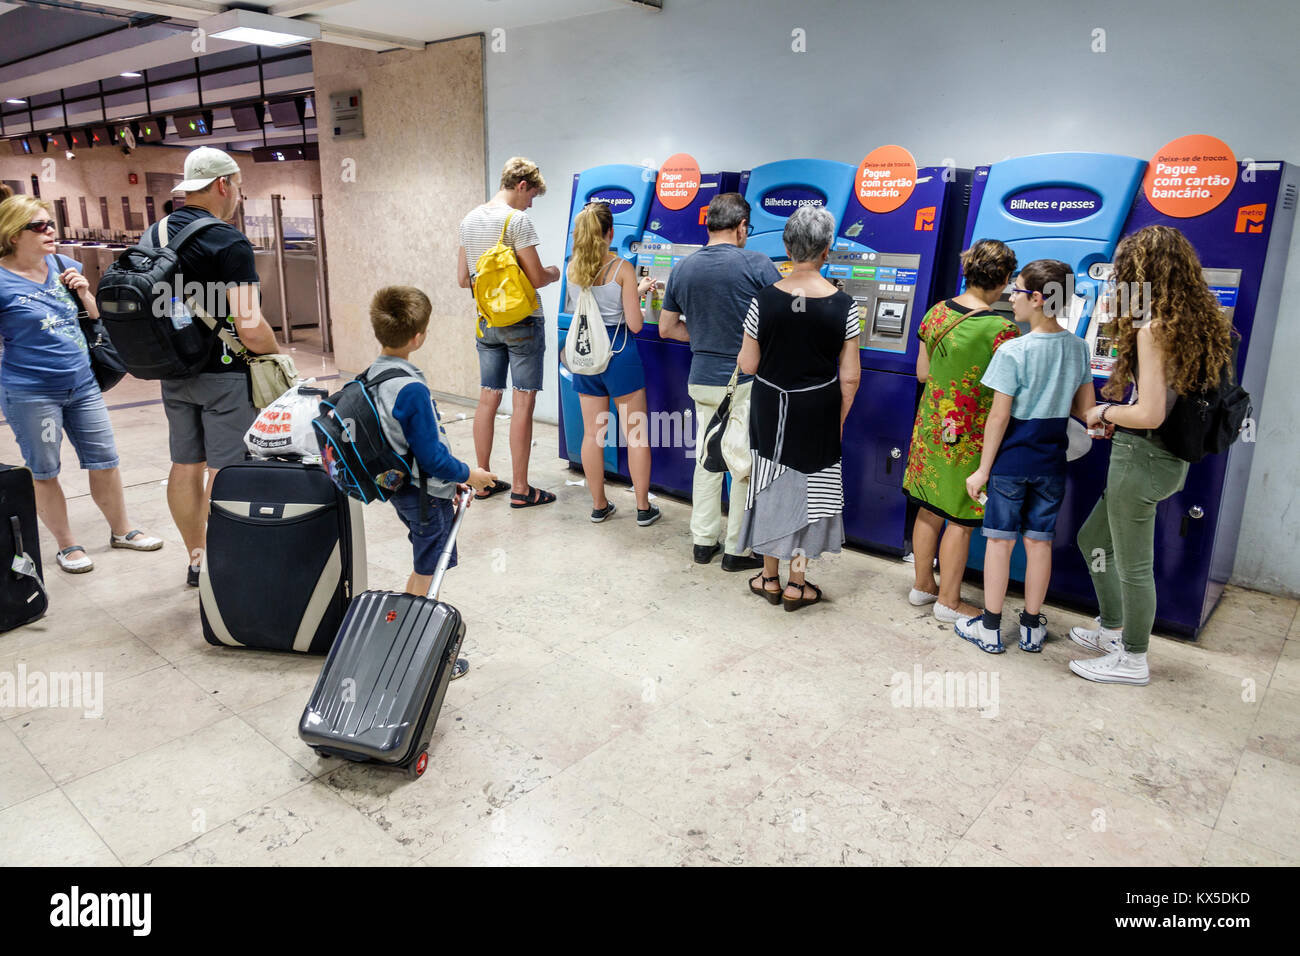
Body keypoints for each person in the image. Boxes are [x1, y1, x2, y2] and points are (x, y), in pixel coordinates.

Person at [1070, 226, 1229, 685]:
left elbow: (1152, 412)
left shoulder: (1153, 327)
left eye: (1123, 267)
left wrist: (1104, 411)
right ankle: (1112, 628)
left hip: (1143, 460)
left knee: (1135, 566)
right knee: (1094, 541)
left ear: (1143, 271)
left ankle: (1133, 658)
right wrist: (1120, 418)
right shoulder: (1189, 320)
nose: (1117, 276)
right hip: (1155, 459)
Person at [0, 195, 163, 573]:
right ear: (12, 235)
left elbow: (95, 320)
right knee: (44, 470)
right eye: (38, 227)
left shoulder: (63, 264)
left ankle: (122, 530)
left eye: (51, 224)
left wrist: (86, 293)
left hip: (82, 383)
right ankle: (67, 544)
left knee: (105, 460)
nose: (50, 232)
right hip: (31, 391)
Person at [154, 147, 281, 587]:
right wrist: (278, 357)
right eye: (239, 187)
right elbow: (249, 325)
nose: (239, 197)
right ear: (224, 184)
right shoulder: (227, 240)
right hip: (224, 372)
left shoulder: (154, 235)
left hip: (173, 368)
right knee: (226, 471)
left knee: (185, 464)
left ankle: (195, 558)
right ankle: (221, 563)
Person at [957, 259, 1094, 653]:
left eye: (1016, 291)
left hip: (1012, 463)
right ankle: (1032, 628)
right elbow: (1085, 410)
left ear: (1037, 298)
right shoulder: (1079, 348)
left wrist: (982, 470)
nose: (1010, 297)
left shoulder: (1013, 350)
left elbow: (998, 417)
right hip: (1052, 463)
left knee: (1000, 543)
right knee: (1040, 544)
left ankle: (990, 626)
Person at [365, 286, 497, 678]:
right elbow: (432, 457)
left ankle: (404, 639)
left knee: (424, 566)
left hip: (401, 488)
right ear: (419, 337)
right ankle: (412, 654)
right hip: (423, 497)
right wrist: (470, 474)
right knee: (429, 570)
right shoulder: (412, 388)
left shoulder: (374, 374)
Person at [738, 205, 860, 611]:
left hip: (771, 407)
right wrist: (837, 418)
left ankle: (768, 577)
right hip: (820, 409)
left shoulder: (764, 300)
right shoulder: (845, 306)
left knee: (770, 488)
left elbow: (749, 364)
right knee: (815, 495)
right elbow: (851, 376)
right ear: (827, 250)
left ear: (788, 248)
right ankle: (797, 584)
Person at [659, 192, 781, 570]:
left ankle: (702, 540)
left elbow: (667, 327)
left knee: (709, 459)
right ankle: (736, 550)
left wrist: (703, 338)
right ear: (742, 226)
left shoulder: (683, 268)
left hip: (702, 380)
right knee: (741, 462)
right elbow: (782, 324)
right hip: (743, 381)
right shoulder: (758, 265)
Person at [903, 238, 1019, 622]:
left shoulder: (936, 314)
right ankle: (949, 601)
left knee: (928, 507)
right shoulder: (1002, 330)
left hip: (931, 428)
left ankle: (923, 585)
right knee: (961, 517)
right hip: (968, 434)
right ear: (1002, 281)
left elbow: (922, 373)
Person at [457, 157, 559, 509]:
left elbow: (462, 279)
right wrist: (554, 272)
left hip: (487, 322)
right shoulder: (518, 220)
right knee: (523, 402)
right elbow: (535, 278)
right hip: (523, 323)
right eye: (532, 194)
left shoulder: (469, 220)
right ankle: (520, 488)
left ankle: (482, 480)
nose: (531, 202)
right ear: (521, 186)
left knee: (487, 398)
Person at [563, 201, 661, 525]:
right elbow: (634, 324)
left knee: (593, 434)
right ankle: (644, 508)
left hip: (587, 354)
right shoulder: (623, 269)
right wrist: (642, 293)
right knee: (635, 434)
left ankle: (599, 504)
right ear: (611, 232)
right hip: (619, 356)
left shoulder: (572, 269)